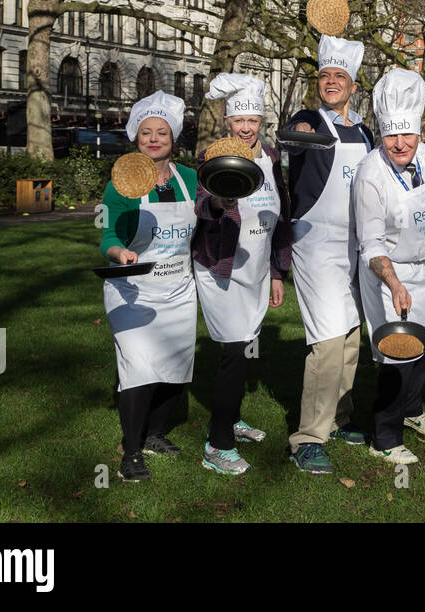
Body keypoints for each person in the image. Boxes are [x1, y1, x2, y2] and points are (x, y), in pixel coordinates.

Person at [284, 37, 376, 474]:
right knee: (327, 339)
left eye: (339, 76)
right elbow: (296, 136)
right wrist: (301, 132)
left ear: (353, 85)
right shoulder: (306, 120)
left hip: (354, 245)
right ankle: (307, 437)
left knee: (352, 335)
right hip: (317, 244)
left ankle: (338, 417)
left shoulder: (364, 131)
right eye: (325, 76)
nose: (331, 82)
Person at [191, 73, 291, 476]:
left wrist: (278, 272)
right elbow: (201, 207)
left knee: (246, 346)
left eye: (253, 120)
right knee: (234, 350)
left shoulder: (270, 157)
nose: (247, 128)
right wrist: (218, 199)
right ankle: (218, 445)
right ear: (228, 123)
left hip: (256, 268)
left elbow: (280, 216)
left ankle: (230, 417)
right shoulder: (212, 156)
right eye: (239, 121)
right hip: (221, 268)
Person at [98, 91, 198, 483]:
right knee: (138, 369)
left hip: (178, 289)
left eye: (161, 133)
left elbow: (206, 221)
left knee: (174, 368)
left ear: (173, 139)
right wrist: (119, 251)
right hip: (134, 290)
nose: (154, 139)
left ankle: (156, 434)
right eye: (146, 133)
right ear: (135, 138)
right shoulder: (121, 182)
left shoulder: (190, 179)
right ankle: (132, 450)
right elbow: (107, 234)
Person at [355, 67, 425, 465]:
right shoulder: (370, 175)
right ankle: (385, 438)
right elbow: (371, 243)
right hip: (387, 271)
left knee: (424, 346)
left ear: (419, 134)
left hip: (424, 267)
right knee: (396, 354)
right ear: (382, 136)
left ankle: (411, 411)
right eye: (392, 135)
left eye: (407, 134)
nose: (400, 143)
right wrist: (393, 283)